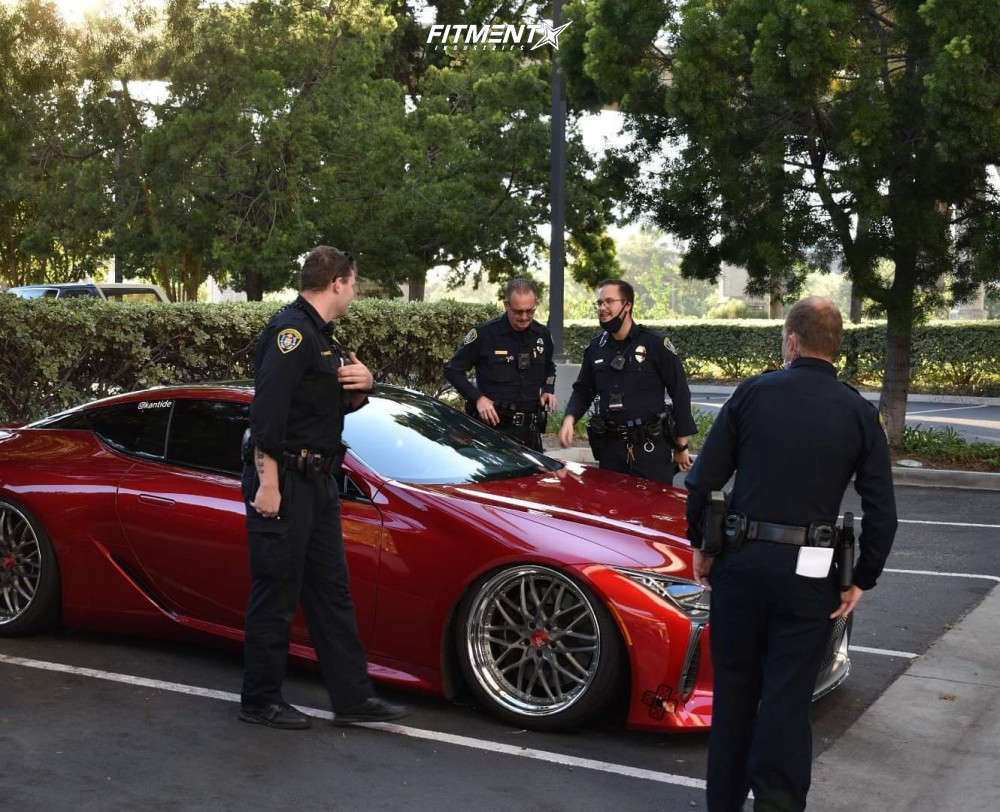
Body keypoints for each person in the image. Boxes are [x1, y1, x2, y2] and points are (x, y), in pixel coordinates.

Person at [685, 297, 897, 811]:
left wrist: (703, 547)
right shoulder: (857, 411)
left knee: (734, 696)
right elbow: (883, 511)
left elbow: (703, 480)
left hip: (743, 564)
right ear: (835, 347)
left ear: (793, 341)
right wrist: (860, 578)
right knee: (787, 698)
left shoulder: (751, 394)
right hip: (811, 574)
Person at [240, 245, 406, 730]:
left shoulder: (322, 338)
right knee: (277, 590)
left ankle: (352, 697)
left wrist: (362, 390)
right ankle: (259, 700)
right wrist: (268, 484)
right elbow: (267, 413)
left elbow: (319, 409)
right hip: (285, 479)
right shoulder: (291, 334)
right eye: (353, 283)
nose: (354, 292)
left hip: (318, 481)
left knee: (332, 591)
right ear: (337, 282)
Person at [558, 279, 696, 482]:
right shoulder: (596, 347)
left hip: (650, 450)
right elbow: (583, 390)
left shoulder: (655, 344)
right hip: (610, 451)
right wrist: (570, 419)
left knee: (652, 509)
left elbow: (680, 391)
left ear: (627, 305)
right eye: (599, 303)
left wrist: (681, 445)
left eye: (609, 302)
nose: (602, 308)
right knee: (611, 510)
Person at [444, 278, 557, 451]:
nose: (525, 317)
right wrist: (478, 399)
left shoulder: (542, 334)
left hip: (530, 434)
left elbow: (549, 367)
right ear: (506, 305)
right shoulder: (485, 334)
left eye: (530, 311)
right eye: (518, 312)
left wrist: (548, 390)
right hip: (493, 433)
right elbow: (453, 370)